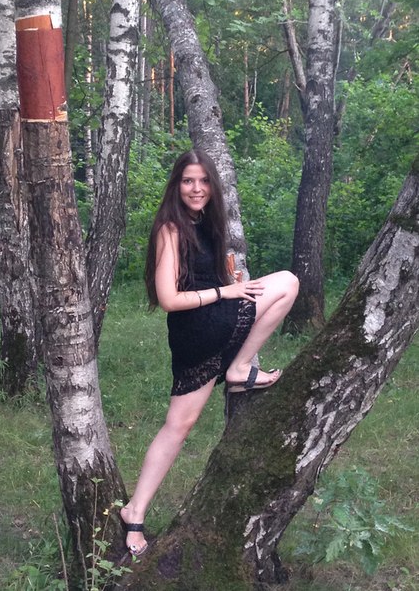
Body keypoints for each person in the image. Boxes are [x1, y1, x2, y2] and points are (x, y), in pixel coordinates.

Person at [120, 149, 299, 556]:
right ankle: (239, 368)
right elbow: (168, 299)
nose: (196, 188)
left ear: (213, 186)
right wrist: (227, 292)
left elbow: (205, 277)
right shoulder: (170, 227)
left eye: (203, 181)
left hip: (208, 323)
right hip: (195, 328)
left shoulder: (206, 224)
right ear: (176, 185)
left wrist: (228, 282)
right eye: (188, 180)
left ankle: (134, 513)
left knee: (179, 425)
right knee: (287, 282)